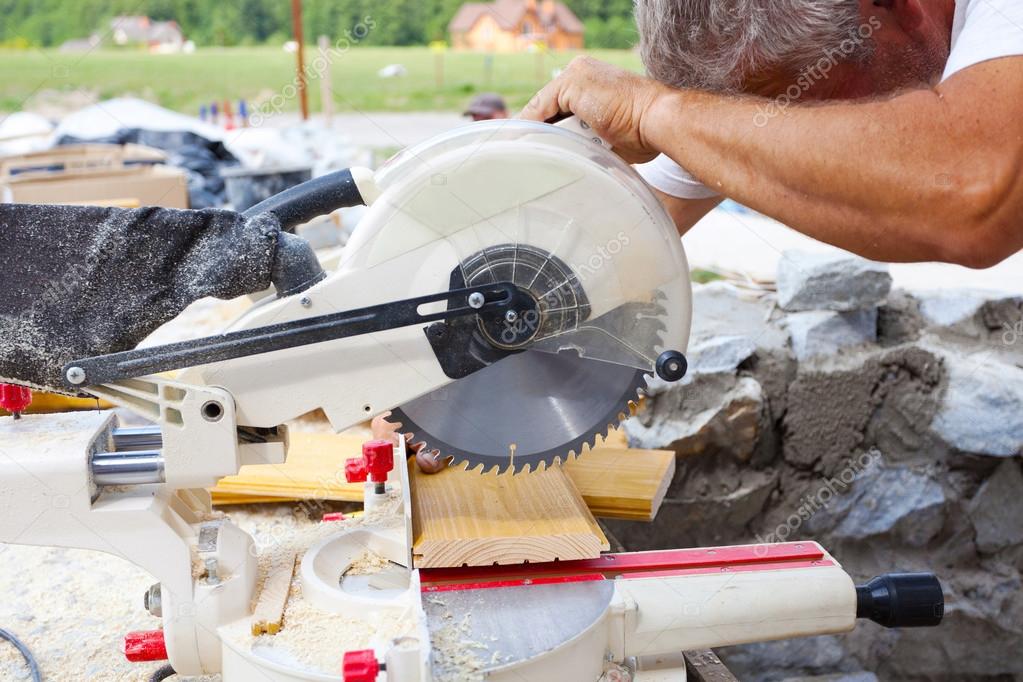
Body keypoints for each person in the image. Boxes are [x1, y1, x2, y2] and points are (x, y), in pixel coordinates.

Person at [520, 0, 1023, 269]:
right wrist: (451, 377)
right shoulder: (761, 83)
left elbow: (971, 196)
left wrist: (653, 110)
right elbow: (594, 253)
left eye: (802, 106)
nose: (778, 130)